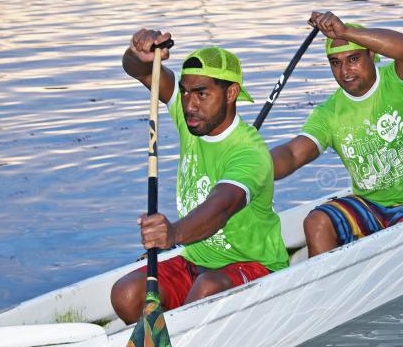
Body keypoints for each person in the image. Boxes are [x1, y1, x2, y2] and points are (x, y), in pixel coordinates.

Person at [111, 30, 288, 325]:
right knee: (126, 293)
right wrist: (138, 55)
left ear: (231, 93)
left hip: (254, 266)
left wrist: (173, 234)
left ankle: (183, 338)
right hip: (197, 260)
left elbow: (220, 208)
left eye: (202, 94)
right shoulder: (192, 121)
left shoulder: (250, 152)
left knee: (206, 288)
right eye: (184, 92)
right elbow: (141, 70)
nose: (189, 105)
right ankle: (165, 340)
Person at [270, 12, 403, 257]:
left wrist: (345, 32)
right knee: (317, 222)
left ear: (372, 54)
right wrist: (253, 169)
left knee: (402, 231)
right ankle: (329, 281)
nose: (345, 71)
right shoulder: (328, 112)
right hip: (371, 206)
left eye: (353, 59)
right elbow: (293, 154)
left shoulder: (401, 82)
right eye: (335, 63)